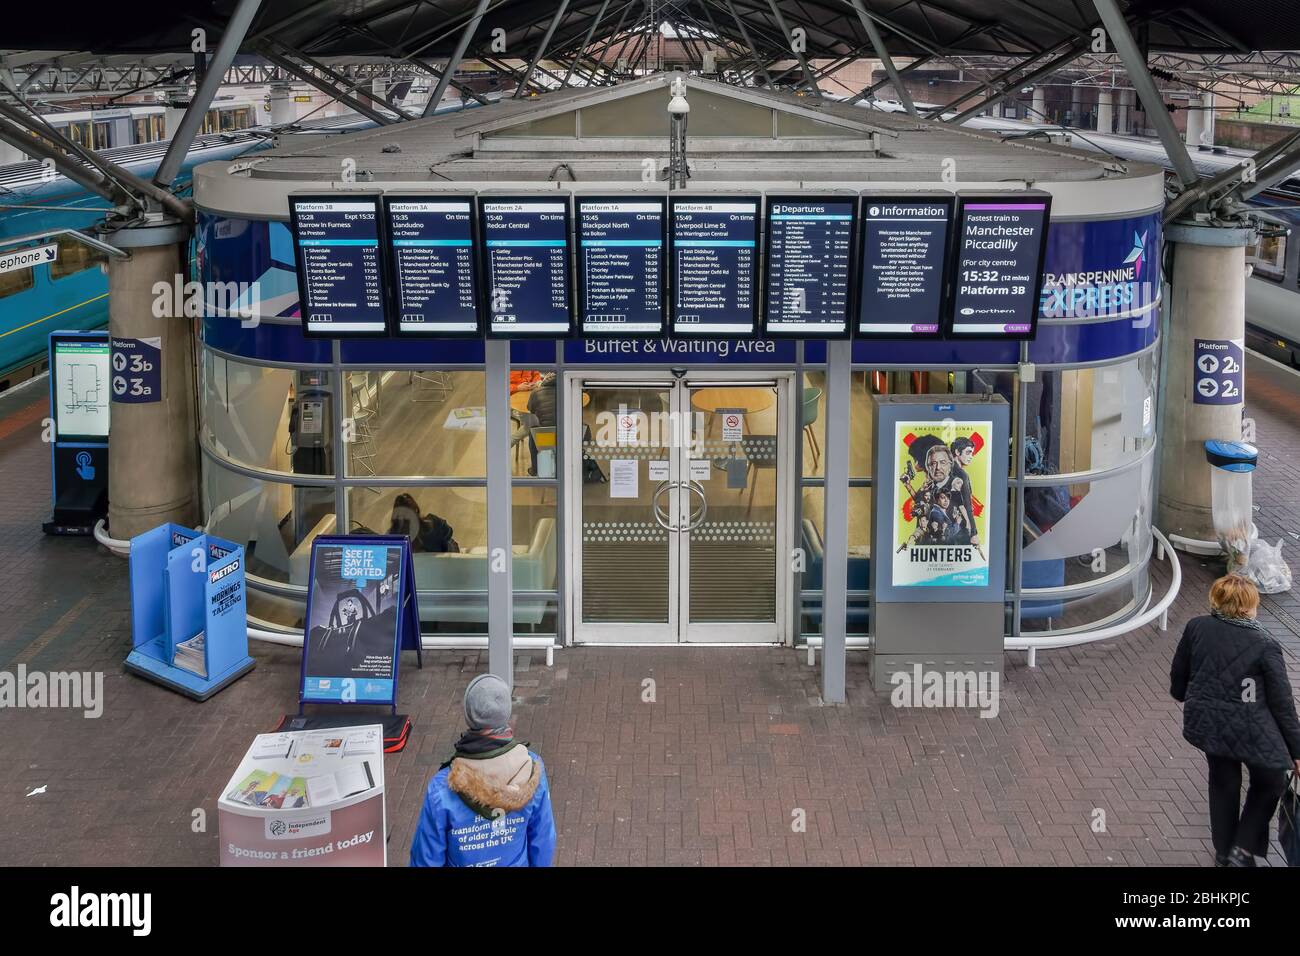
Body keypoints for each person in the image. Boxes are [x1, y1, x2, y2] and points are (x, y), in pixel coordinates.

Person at [1170, 575, 1300, 866]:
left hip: (1208, 723)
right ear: (1249, 607)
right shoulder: (1265, 644)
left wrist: (1180, 693)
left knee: (1223, 783)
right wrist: (1296, 751)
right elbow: (1282, 703)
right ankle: (1242, 849)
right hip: (1253, 727)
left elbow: (1180, 670)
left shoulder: (1197, 627)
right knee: (1270, 780)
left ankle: (1223, 854)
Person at [409, 674, 557, 867]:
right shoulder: (531, 769)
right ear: (506, 713)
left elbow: (426, 859)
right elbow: (543, 840)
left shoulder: (443, 785)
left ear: (469, 716)